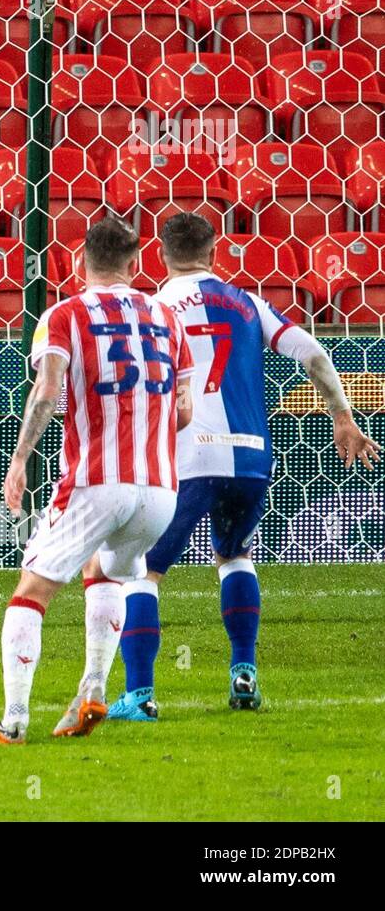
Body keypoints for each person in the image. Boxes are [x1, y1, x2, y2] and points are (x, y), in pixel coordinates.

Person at [109, 212, 380, 719]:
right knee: (234, 555)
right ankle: (243, 673)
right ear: (214, 254)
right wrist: (342, 417)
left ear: (160, 257)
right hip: (251, 456)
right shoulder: (249, 303)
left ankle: (140, 696)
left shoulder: (153, 307)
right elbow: (314, 353)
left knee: (143, 572)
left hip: (186, 456)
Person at [0, 217, 194, 745]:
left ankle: (13, 721)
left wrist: (20, 457)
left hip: (96, 480)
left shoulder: (64, 315)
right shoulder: (167, 317)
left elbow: (47, 391)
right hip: (161, 490)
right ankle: (92, 690)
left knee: (31, 591)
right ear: (135, 263)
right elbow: (185, 411)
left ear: (80, 260)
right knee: (107, 575)